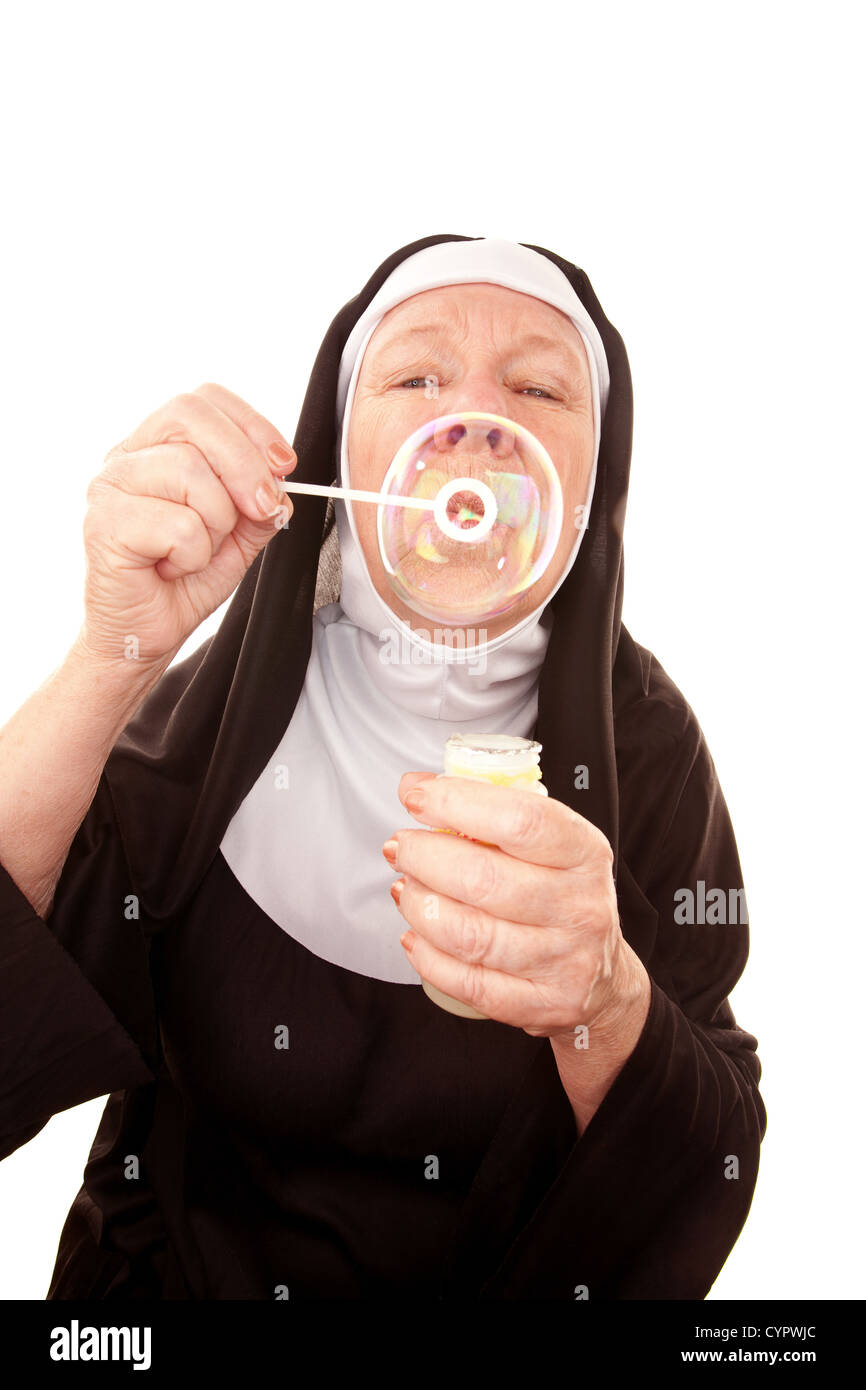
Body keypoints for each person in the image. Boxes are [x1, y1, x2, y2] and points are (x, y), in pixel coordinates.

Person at [0, 234, 766, 1300]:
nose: (472, 426)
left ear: (594, 485)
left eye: (539, 386)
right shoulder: (208, 717)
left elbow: (710, 1142)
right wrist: (105, 653)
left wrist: (606, 994)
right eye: (414, 375)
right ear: (336, 450)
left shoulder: (649, 752)